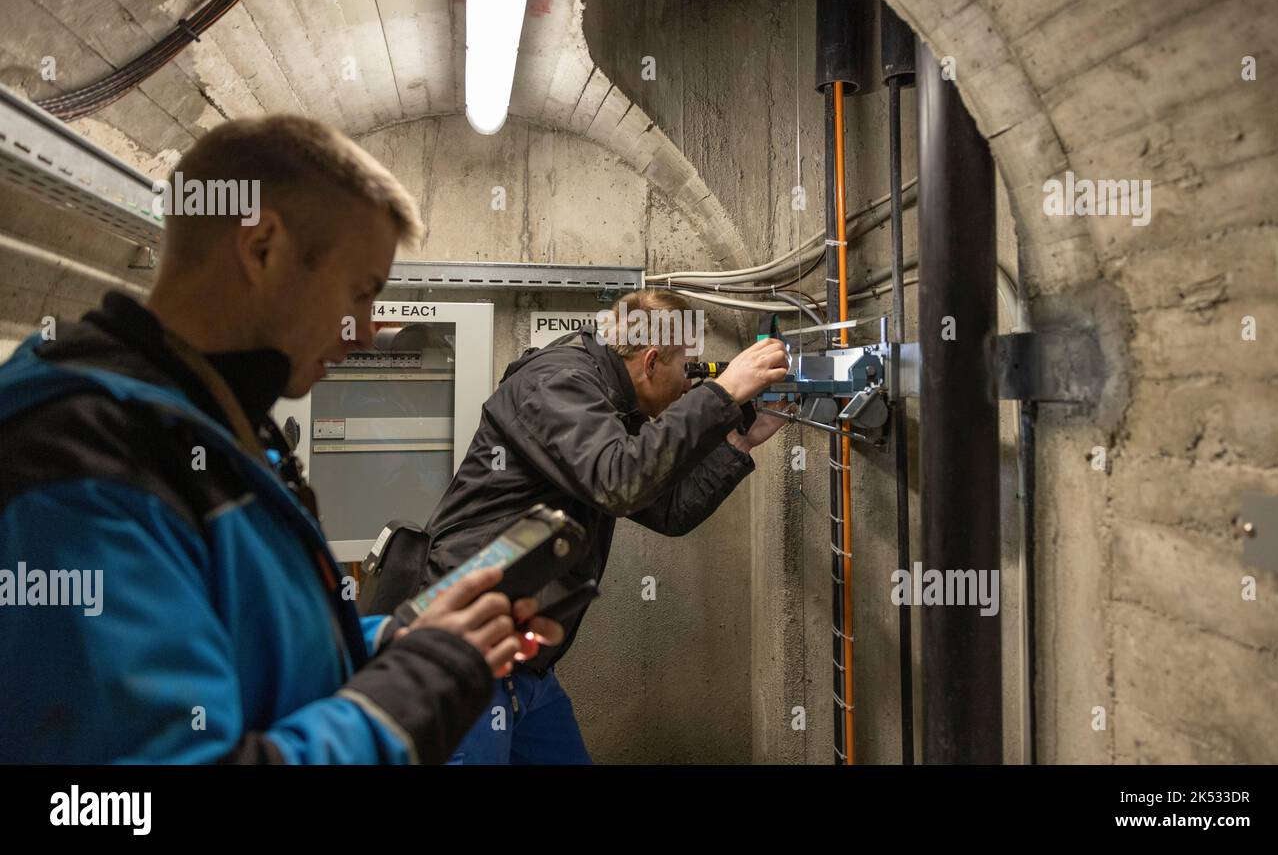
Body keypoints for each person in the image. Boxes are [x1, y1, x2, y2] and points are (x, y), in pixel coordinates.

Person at [0, 115, 560, 764]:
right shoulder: (83, 462)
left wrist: (404, 638)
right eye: (361, 293)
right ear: (263, 247)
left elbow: (261, 663)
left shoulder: (216, 427)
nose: (365, 333)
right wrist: (425, 679)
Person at [421, 288, 790, 763]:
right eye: (687, 368)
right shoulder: (557, 383)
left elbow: (667, 509)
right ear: (651, 361)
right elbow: (621, 481)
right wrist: (722, 393)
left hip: (525, 669)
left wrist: (738, 442)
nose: (690, 383)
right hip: (465, 653)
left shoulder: (608, 404)